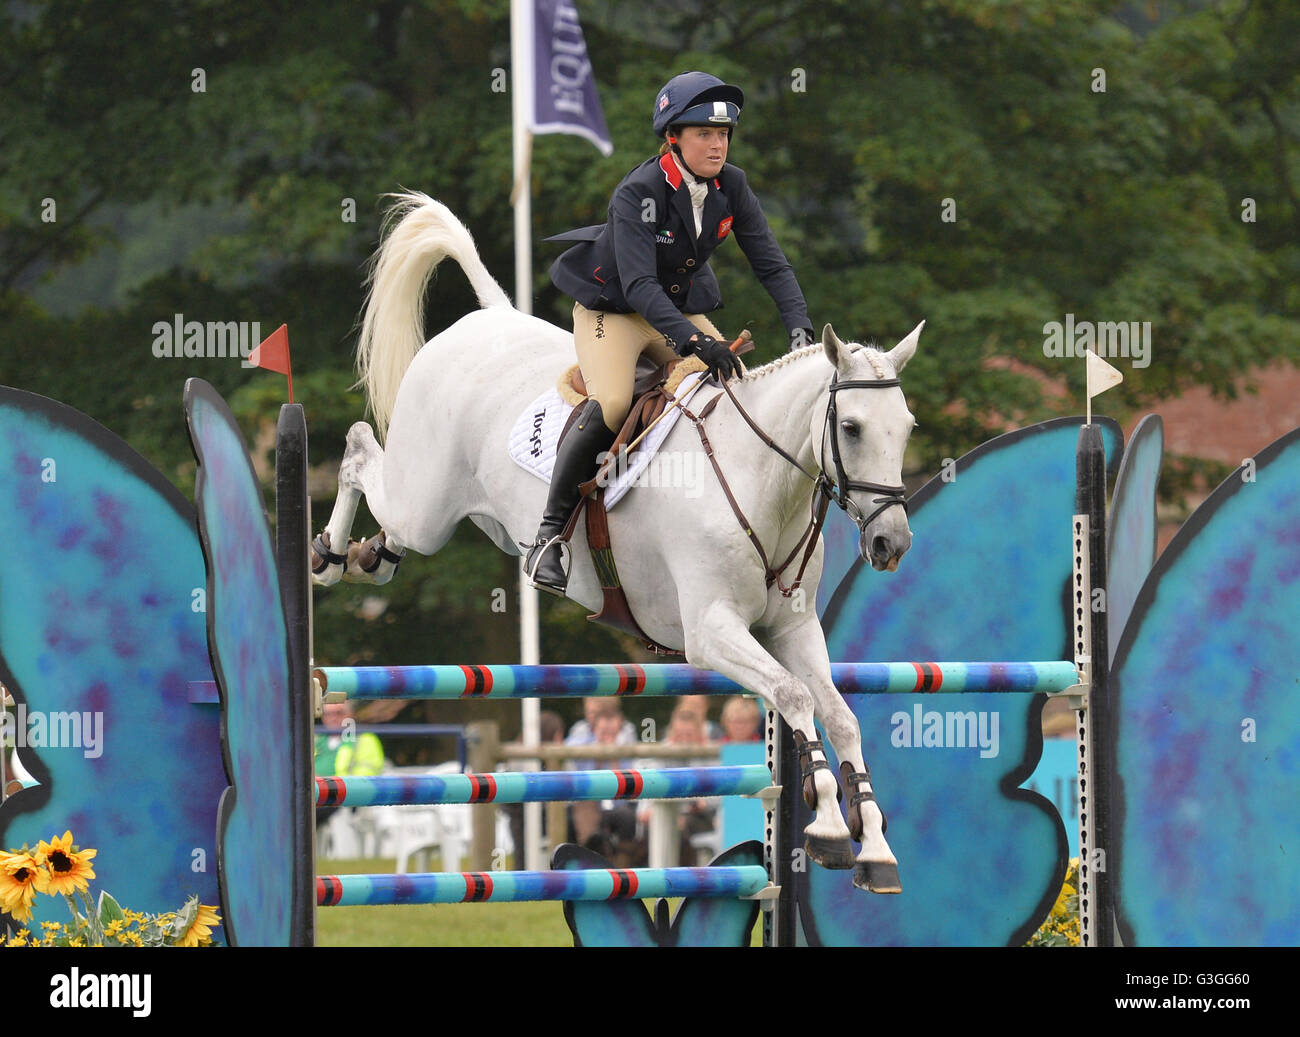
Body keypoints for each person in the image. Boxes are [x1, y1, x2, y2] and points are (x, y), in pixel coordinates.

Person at [525, 70, 817, 594]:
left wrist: (801, 331)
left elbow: (772, 266)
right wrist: (693, 342)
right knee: (614, 402)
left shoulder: (734, 186)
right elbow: (637, 284)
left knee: (738, 388)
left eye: (723, 134)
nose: (717, 144)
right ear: (672, 138)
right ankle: (550, 535)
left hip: (674, 307)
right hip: (612, 310)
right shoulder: (637, 190)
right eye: (704, 133)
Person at [314, 699, 384, 827]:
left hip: (343, 797)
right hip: (317, 793)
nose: (333, 718)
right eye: (328, 714)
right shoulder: (315, 739)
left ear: (351, 714)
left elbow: (364, 780)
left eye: (339, 713)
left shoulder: (365, 739)